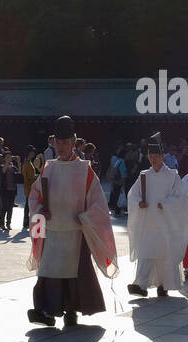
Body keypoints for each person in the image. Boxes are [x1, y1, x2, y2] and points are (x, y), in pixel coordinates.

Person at [26, 116, 119, 326]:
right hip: (52, 230)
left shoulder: (84, 170)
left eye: (65, 142)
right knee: (48, 270)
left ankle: (71, 310)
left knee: (73, 271)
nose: (61, 147)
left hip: (76, 230)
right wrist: (40, 210)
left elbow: (98, 203)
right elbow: (34, 196)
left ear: (73, 142)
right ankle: (47, 311)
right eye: (58, 142)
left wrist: (85, 217)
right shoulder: (48, 168)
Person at [126, 139, 188, 297]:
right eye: (150, 155)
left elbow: (181, 198)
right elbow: (133, 194)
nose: (153, 159)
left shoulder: (172, 176)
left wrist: (167, 204)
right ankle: (141, 285)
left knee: (164, 255)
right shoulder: (144, 175)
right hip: (148, 221)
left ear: (163, 156)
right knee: (146, 254)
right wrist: (138, 202)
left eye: (156, 155)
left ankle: (164, 284)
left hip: (165, 222)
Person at [0, 151, 20, 231]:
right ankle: (1, 223)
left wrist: (18, 163)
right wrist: (7, 162)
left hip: (13, 189)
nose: (9, 158)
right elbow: (3, 171)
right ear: (4, 158)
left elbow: (19, 173)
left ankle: (8, 223)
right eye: (7, 157)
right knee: (5, 207)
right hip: (4, 190)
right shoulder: (2, 166)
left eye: (10, 157)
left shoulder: (13, 167)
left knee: (10, 208)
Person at [21, 147, 39, 232]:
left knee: (27, 205)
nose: (33, 153)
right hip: (29, 186)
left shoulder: (28, 162)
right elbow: (30, 177)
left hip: (29, 186)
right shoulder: (27, 163)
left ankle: (26, 222)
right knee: (29, 206)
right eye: (32, 152)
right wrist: (38, 176)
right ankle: (26, 222)